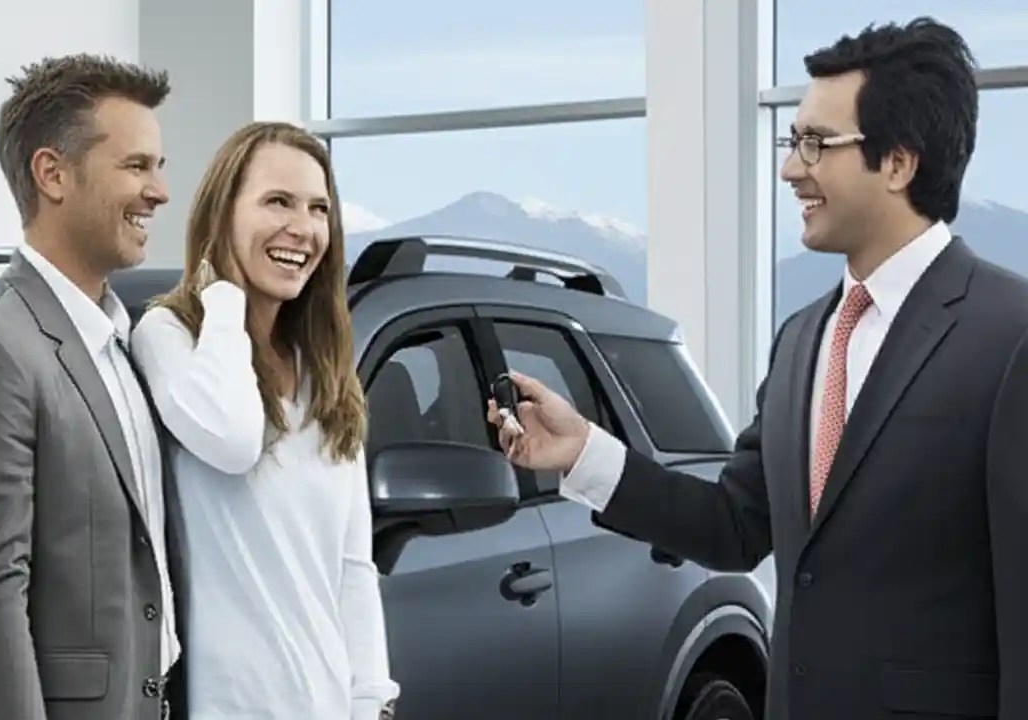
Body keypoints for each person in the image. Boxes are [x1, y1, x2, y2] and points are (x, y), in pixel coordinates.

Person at [488, 17, 1028, 720]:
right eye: (791, 140)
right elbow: (734, 526)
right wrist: (583, 452)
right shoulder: (804, 338)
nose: (789, 168)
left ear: (898, 162)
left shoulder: (1009, 334)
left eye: (816, 144)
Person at [0, 54, 189, 720]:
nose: (159, 192)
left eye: (159, 167)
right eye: (136, 166)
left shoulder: (129, 342)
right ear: (52, 174)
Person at [128, 121, 399, 720]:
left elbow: (352, 567)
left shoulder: (325, 373)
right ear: (223, 213)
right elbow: (232, 439)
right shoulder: (170, 339)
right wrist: (223, 300)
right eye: (277, 201)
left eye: (318, 208)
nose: (302, 228)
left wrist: (372, 700)